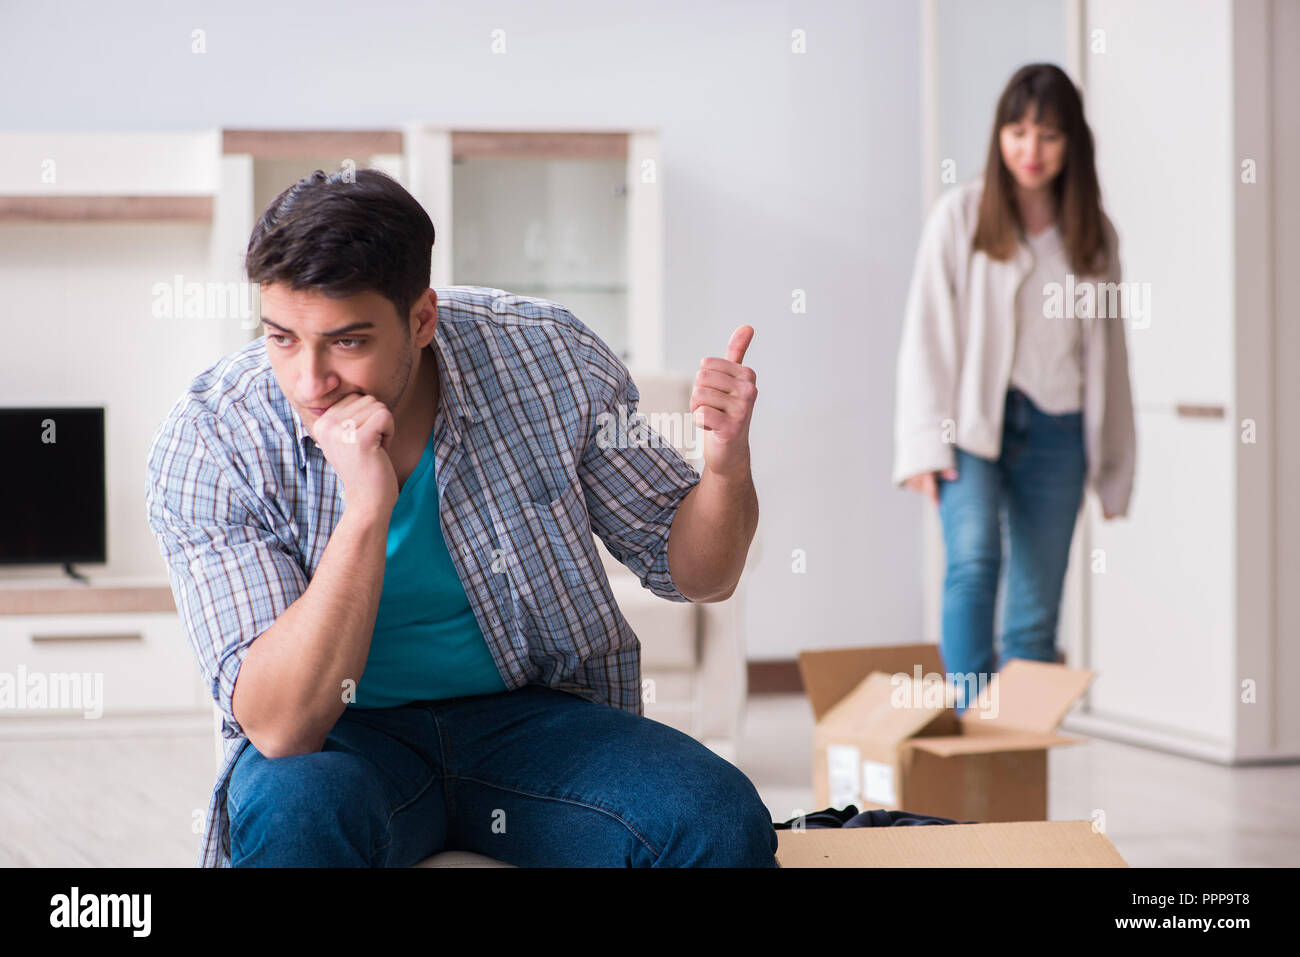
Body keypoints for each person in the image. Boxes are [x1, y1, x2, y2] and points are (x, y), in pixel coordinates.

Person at [146, 167, 775, 867]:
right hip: (344, 737)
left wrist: (725, 468)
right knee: (296, 817)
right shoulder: (215, 435)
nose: (308, 380)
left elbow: (699, 574)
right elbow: (283, 723)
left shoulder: (548, 359)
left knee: (718, 819)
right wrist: (366, 510)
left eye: (347, 342)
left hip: (533, 717)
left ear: (421, 319)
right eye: (283, 337)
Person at [892, 63, 1136, 712]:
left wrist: (1114, 469)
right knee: (973, 563)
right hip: (970, 426)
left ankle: (1013, 756)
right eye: (1019, 131)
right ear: (1000, 134)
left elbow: (1111, 356)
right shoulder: (961, 215)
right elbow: (926, 336)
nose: (1031, 150)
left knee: (1036, 606)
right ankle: (973, 727)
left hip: (1060, 429)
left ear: (1072, 145)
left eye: (1050, 135)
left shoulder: (1095, 235)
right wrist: (924, 445)